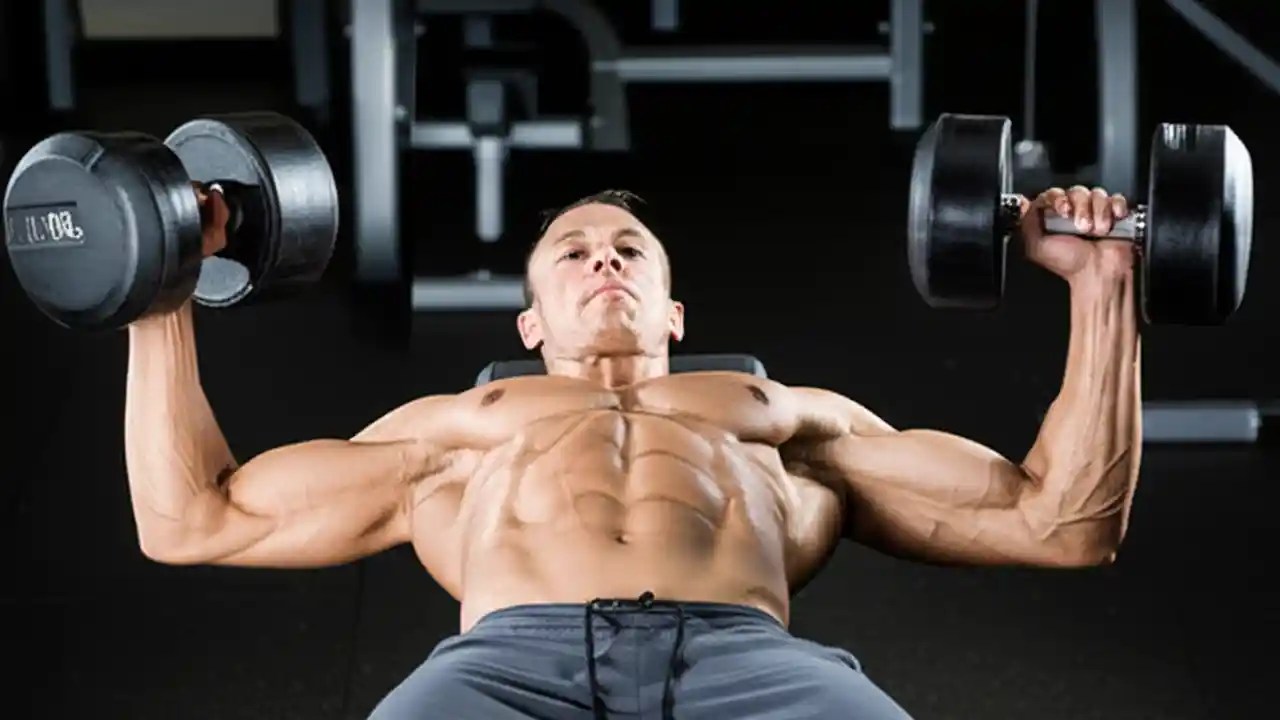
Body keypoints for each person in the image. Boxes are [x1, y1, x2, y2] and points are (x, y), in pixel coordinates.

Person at [125, 185, 1141, 719]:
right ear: (528, 324)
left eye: (628, 251)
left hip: (746, 664)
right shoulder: (454, 430)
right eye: (572, 252)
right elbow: (191, 520)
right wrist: (156, 283)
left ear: (673, 308)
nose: (602, 257)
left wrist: (1102, 288)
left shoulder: (782, 417)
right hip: (502, 674)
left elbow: (1058, 526)